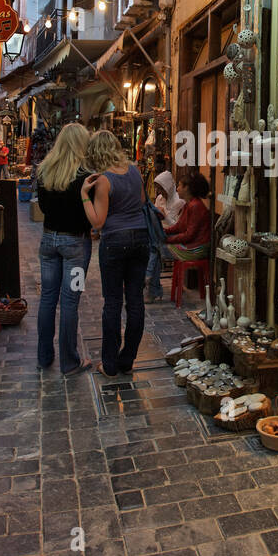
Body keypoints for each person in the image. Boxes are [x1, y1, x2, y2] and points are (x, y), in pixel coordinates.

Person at [82, 130, 149, 377]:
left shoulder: (103, 180)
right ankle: (127, 359)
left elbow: (98, 222)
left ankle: (109, 365)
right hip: (140, 237)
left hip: (115, 241)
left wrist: (83, 197)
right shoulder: (134, 170)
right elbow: (142, 201)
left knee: (112, 303)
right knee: (135, 302)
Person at [34, 123, 93, 376]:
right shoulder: (86, 177)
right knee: (71, 301)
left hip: (48, 242)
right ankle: (69, 362)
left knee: (48, 298)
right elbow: (89, 215)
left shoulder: (45, 171)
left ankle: (44, 356)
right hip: (75, 246)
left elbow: (44, 209)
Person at [144, 159, 184, 302]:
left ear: (168, 187)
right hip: (160, 234)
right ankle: (150, 285)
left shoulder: (179, 201)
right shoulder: (160, 199)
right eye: (158, 189)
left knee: (153, 247)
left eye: (161, 189)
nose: (159, 192)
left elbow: (177, 226)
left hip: (172, 237)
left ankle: (149, 284)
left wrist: (165, 215)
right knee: (152, 245)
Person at [164, 171, 212, 260]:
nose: (177, 189)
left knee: (157, 248)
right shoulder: (189, 204)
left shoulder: (195, 205)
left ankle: (150, 274)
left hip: (196, 248)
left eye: (179, 185)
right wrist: (164, 231)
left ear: (187, 188)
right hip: (192, 243)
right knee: (156, 244)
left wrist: (166, 239)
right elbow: (178, 227)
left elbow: (189, 235)